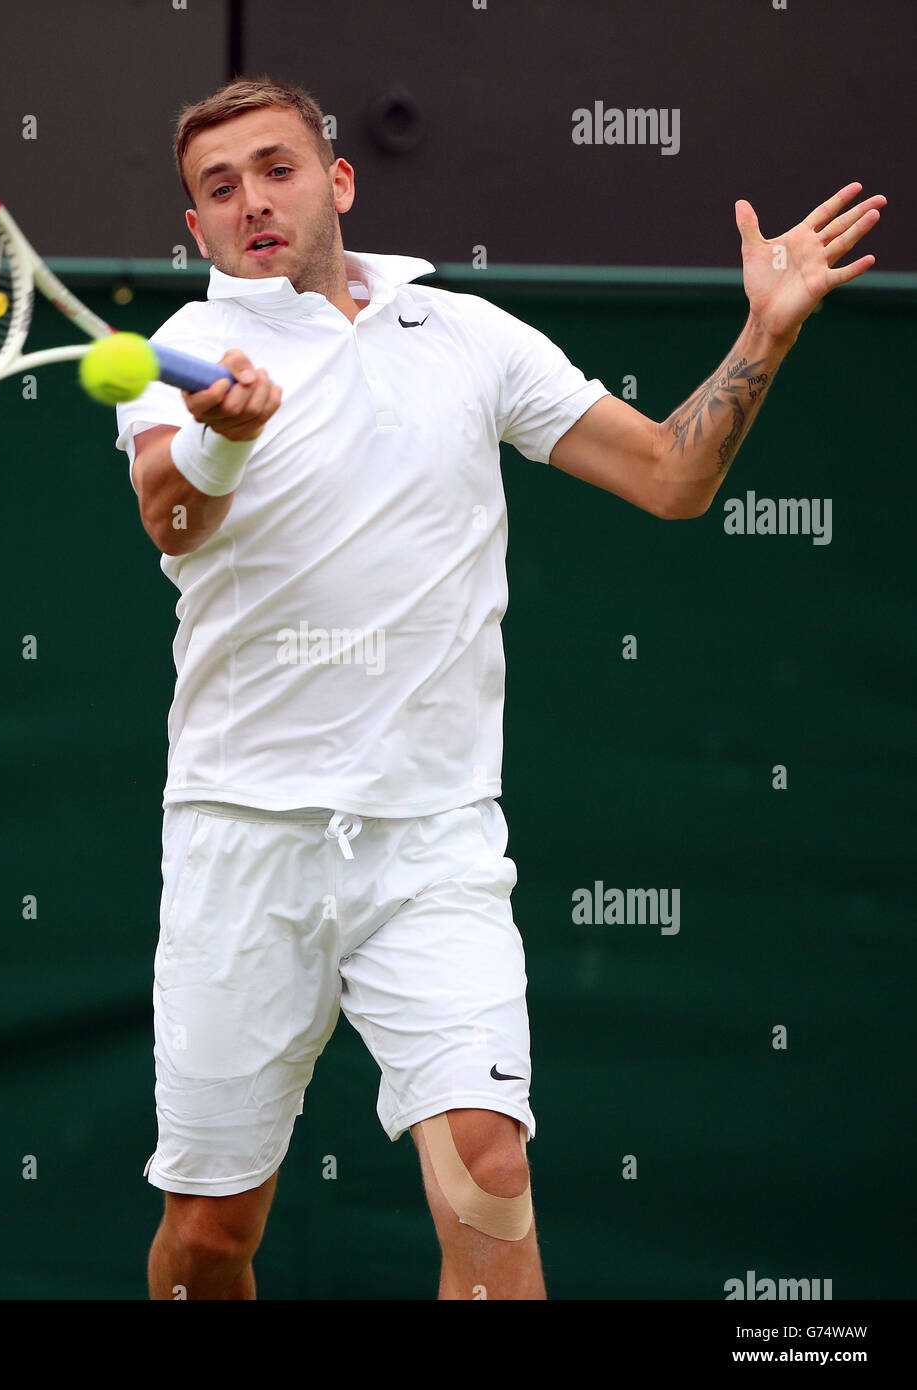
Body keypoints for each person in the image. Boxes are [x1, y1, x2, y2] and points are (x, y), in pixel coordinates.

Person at [114, 77, 884, 1301]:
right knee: (209, 1239)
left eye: (276, 168)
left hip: (434, 847)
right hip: (241, 844)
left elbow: (672, 479)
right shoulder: (181, 356)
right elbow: (174, 514)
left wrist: (768, 330)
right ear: (196, 227)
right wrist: (222, 433)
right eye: (220, 189)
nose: (253, 201)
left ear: (337, 181)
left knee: (487, 1172)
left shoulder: (468, 337)